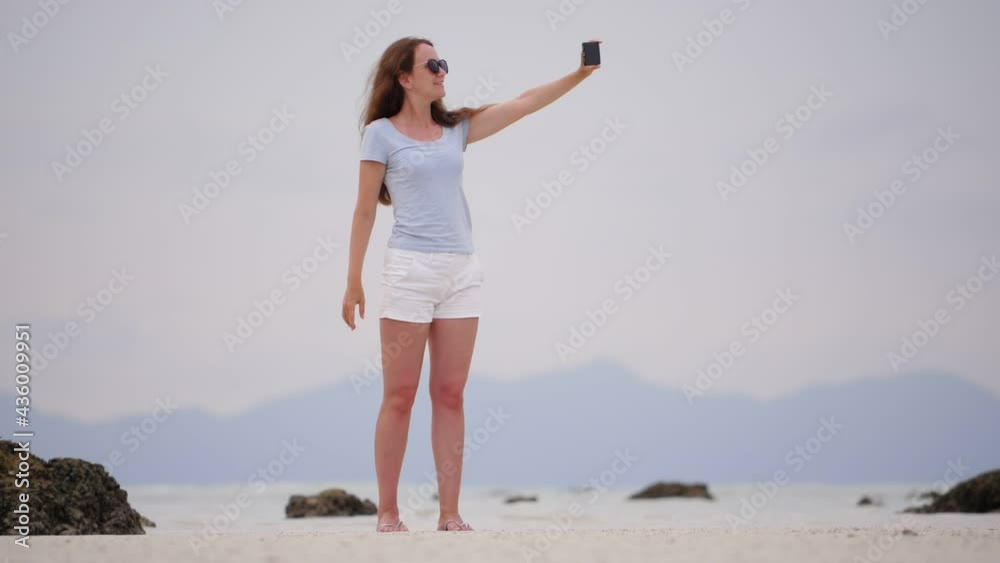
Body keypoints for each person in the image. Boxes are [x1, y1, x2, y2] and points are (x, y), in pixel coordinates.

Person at [341, 36, 601, 533]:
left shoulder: (454, 129)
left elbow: (523, 104)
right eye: (432, 65)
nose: (442, 71)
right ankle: (388, 513)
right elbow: (364, 209)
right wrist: (353, 281)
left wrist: (579, 75)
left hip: (462, 271)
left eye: (444, 63)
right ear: (404, 78)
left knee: (452, 395)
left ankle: (449, 513)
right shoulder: (380, 134)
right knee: (399, 396)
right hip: (409, 271)